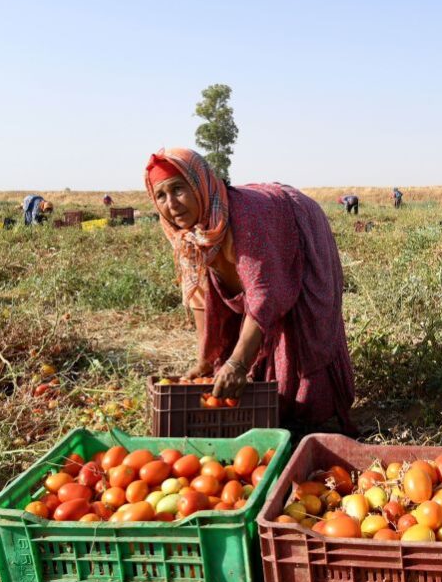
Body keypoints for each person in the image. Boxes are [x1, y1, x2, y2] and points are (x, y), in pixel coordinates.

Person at [145, 147, 356, 434]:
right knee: (247, 343)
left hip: (298, 226)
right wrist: (206, 359)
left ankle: (315, 416)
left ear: (201, 185)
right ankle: (275, 403)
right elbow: (200, 295)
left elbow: (264, 293)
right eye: (160, 196)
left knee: (302, 326)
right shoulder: (182, 232)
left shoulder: (245, 218)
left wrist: (238, 363)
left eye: (178, 189)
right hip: (264, 249)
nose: (171, 203)